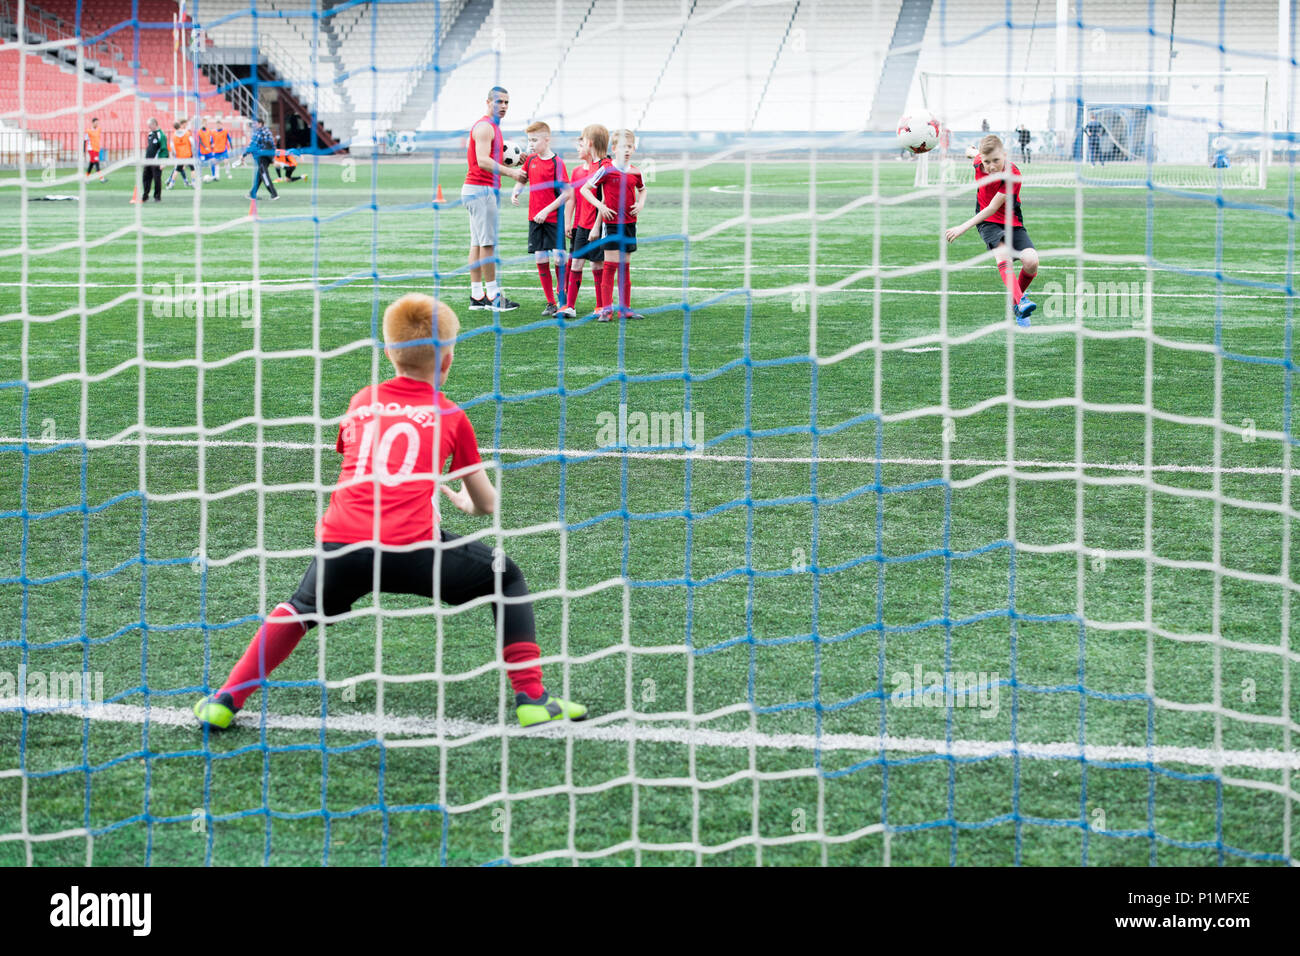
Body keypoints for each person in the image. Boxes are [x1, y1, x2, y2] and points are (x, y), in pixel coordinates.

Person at [192, 293, 588, 731]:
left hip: (344, 543)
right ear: (448, 360)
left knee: (299, 608)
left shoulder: (362, 400)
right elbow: (487, 504)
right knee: (506, 576)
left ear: (388, 354)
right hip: (412, 548)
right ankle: (532, 698)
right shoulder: (451, 415)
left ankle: (226, 698)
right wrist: (459, 499)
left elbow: (357, 456)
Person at [943, 135, 1039, 327]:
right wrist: (970, 151)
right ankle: (1021, 302)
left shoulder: (1013, 174)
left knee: (1031, 261)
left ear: (1004, 155)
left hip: (1011, 219)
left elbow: (993, 207)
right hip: (987, 221)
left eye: (996, 160)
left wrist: (962, 227)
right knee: (1002, 255)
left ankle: (1016, 303)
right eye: (987, 162)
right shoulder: (980, 161)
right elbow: (972, 153)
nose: (992, 166)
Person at [464, 86, 527, 312]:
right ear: (488, 102)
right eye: (499, 102)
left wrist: (516, 160)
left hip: (477, 190)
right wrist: (511, 173)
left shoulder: (493, 128)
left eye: (506, 103)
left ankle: (477, 295)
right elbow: (482, 160)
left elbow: (492, 157)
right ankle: (492, 296)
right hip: (481, 190)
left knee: (478, 243)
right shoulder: (484, 127)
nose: (503, 106)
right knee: (487, 244)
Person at [580, 128, 647, 321]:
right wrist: (601, 206)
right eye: (623, 147)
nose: (626, 150)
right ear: (614, 148)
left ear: (633, 148)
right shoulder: (606, 169)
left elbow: (642, 190)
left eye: (630, 147)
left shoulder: (635, 171)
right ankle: (606, 309)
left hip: (629, 224)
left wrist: (640, 203)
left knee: (625, 267)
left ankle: (624, 309)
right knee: (609, 266)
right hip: (610, 225)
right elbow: (585, 189)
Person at [512, 121, 570, 316]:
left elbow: (567, 194)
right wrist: (516, 191)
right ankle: (551, 302)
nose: (531, 144)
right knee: (540, 256)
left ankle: (562, 297)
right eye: (529, 140)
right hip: (534, 218)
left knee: (560, 256)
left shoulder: (557, 163)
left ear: (547, 139)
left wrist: (547, 210)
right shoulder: (530, 160)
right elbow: (522, 178)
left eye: (535, 140)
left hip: (554, 218)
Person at [560, 123, 611, 319]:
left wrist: (597, 226)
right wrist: (570, 223)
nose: (579, 145)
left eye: (581, 141)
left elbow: (605, 199)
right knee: (576, 264)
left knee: (597, 265)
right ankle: (569, 306)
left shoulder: (604, 167)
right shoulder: (582, 170)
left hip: (596, 227)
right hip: (581, 225)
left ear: (589, 143)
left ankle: (600, 305)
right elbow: (573, 198)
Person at [244, 117, 278, 201]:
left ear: (260, 124)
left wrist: (243, 155)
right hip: (268, 155)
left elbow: (252, 145)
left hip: (262, 156)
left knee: (264, 174)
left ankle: (274, 194)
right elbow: (271, 144)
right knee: (260, 175)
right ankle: (252, 193)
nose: (253, 125)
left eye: (255, 123)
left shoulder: (259, 132)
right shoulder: (266, 130)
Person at [166, 118, 195, 189]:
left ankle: (171, 184)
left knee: (177, 170)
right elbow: (192, 142)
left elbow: (172, 146)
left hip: (180, 155)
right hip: (188, 154)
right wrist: (193, 151)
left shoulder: (174, 136)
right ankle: (194, 183)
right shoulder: (187, 133)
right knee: (192, 169)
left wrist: (174, 153)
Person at [142, 118, 166, 202]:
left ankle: (157, 196)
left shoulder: (161, 135)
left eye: (150, 126)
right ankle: (145, 195)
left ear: (154, 124)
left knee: (157, 179)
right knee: (145, 178)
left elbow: (164, 149)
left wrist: (163, 162)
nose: (149, 127)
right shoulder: (150, 134)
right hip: (148, 160)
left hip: (156, 161)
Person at [84, 117, 106, 182]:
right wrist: (83, 150)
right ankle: (102, 179)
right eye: (96, 123)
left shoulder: (98, 130)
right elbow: (85, 140)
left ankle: (86, 178)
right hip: (91, 149)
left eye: (98, 123)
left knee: (91, 164)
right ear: (93, 123)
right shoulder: (88, 131)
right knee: (96, 163)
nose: (97, 124)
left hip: (96, 149)